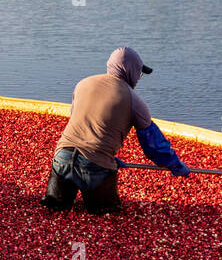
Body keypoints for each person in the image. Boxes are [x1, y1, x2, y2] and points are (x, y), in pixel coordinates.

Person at [41, 46, 189, 213]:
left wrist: (107, 155)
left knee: (54, 210)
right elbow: (153, 145)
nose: (139, 79)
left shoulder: (83, 84)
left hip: (61, 158)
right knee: (107, 214)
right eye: (138, 73)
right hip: (94, 167)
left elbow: (78, 120)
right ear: (130, 71)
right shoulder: (134, 101)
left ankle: (58, 200)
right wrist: (173, 163)